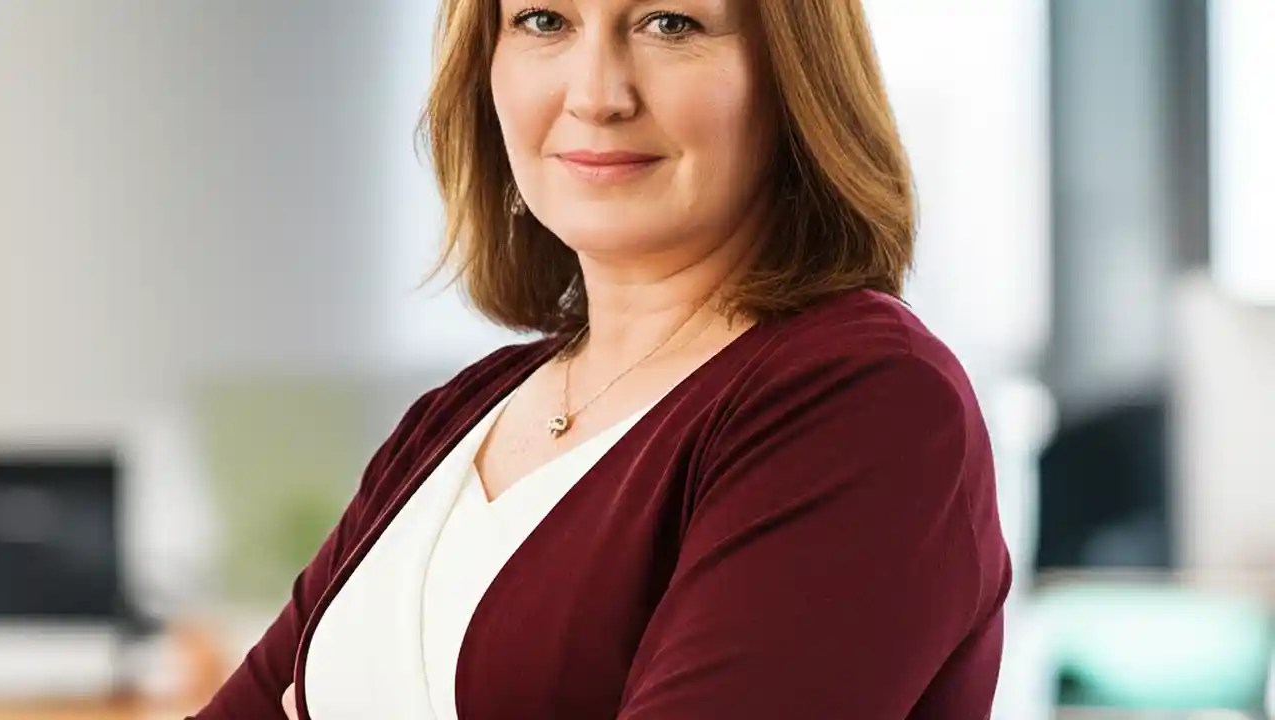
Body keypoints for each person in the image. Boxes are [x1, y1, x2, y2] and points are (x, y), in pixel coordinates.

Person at [192, 0, 1012, 718]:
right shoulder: (453, 421)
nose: (596, 95)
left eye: (670, 24)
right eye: (543, 20)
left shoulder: (868, 403)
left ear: (793, 73)